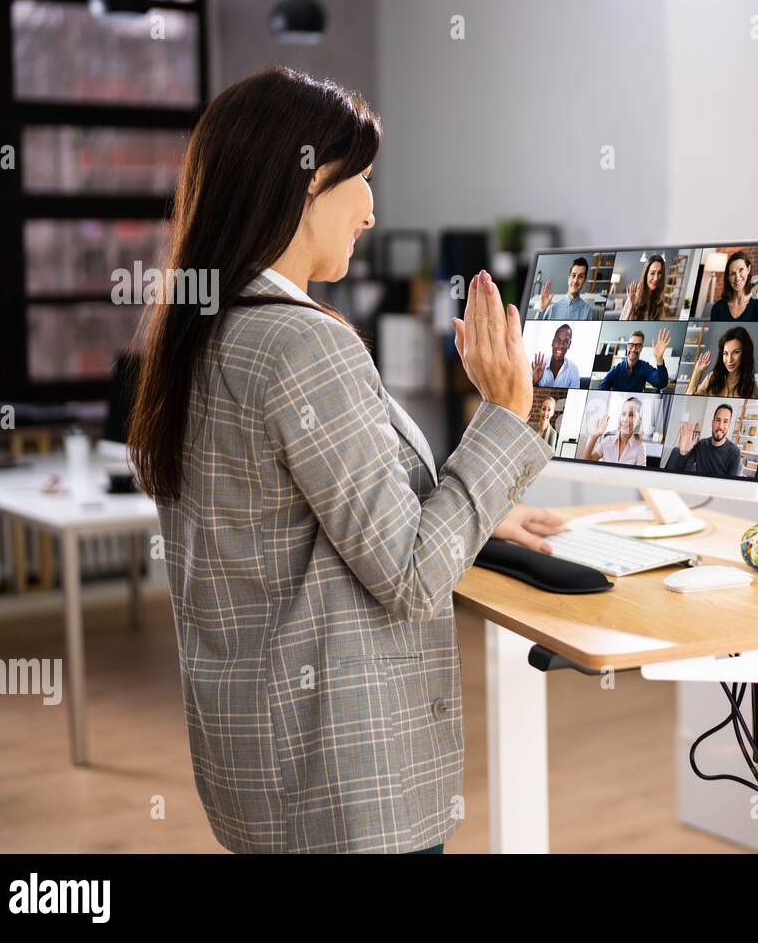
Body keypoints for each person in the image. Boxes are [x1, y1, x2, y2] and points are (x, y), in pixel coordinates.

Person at [127, 66, 566, 855]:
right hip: (347, 785)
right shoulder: (302, 344)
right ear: (298, 187)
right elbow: (408, 577)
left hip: (261, 770)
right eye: (359, 180)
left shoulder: (206, 330)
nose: (371, 209)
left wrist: (482, 511)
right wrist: (503, 415)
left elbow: (292, 523)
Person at [664, 404, 743, 478]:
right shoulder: (701, 444)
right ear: (712, 423)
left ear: (729, 425)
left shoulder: (734, 452)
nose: (720, 426)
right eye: (718, 420)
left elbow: (730, 487)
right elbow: (680, 472)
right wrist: (682, 453)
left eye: (725, 421)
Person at [687, 326, 757, 398]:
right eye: (725, 353)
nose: (729, 360)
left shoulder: (750, 386)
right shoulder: (712, 377)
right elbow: (689, 401)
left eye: (736, 352)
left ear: (745, 353)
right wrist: (697, 371)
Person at [596, 328, 671, 391]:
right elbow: (600, 391)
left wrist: (659, 358)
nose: (633, 349)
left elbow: (661, 384)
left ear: (641, 348)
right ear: (627, 346)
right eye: (631, 345)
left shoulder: (645, 367)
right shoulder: (615, 370)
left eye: (638, 346)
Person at [709, 251, 758, 321]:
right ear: (728, 277)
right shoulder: (718, 308)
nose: (737, 278)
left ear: (748, 269)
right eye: (732, 273)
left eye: (741, 270)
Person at [582, 396, 647, 466]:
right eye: (623, 414)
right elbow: (586, 461)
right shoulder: (607, 441)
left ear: (638, 421)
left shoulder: (640, 447)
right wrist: (594, 436)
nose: (625, 419)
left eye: (631, 415)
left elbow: (640, 475)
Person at [620, 254, 668, 320]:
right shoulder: (634, 294)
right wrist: (631, 306)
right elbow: (622, 320)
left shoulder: (660, 300)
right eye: (652, 273)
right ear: (646, 274)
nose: (656, 278)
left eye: (659, 273)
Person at [531, 323, 580, 387]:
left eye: (565, 341)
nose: (561, 345)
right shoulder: (539, 366)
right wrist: (534, 381)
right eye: (558, 340)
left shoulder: (573, 369)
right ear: (552, 343)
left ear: (569, 345)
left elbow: (574, 395)